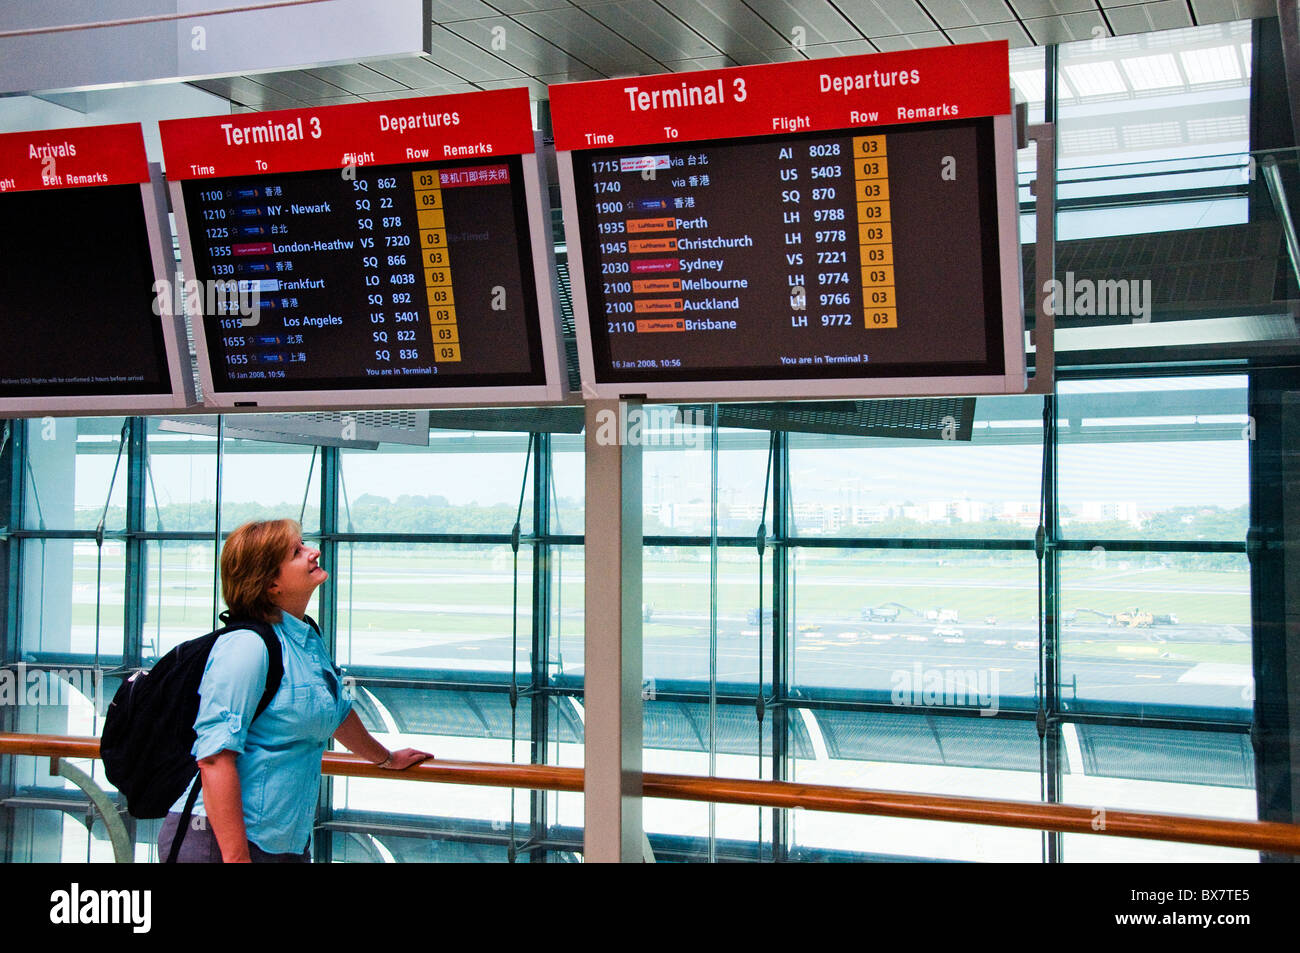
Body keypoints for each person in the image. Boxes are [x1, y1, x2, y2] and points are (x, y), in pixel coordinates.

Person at [157, 518, 430, 862]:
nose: (314, 552)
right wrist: (237, 858)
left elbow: (333, 713)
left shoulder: (305, 638)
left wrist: (385, 758)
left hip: (285, 841)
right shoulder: (247, 647)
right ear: (271, 582)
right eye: (297, 551)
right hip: (219, 841)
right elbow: (214, 757)